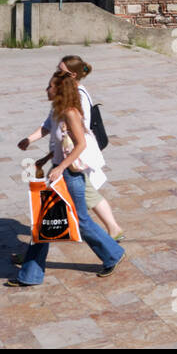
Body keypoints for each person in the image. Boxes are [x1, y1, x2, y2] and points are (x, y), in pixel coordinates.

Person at [7, 69, 124, 286]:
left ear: (59, 89)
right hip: (59, 171)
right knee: (46, 222)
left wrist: (60, 167)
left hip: (71, 176)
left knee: (79, 221)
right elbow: (61, 142)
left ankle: (112, 253)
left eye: (50, 86)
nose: (46, 89)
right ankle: (30, 275)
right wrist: (40, 153)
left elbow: (80, 145)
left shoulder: (71, 112)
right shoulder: (58, 110)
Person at [58, 55, 125, 242]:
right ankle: (113, 228)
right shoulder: (71, 93)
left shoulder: (78, 94)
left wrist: (66, 128)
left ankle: (111, 235)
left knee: (76, 200)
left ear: (72, 75)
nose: (56, 74)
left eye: (60, 70)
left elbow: (83, 123)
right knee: (87, 195)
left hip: (76, 155)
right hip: (71, 156)